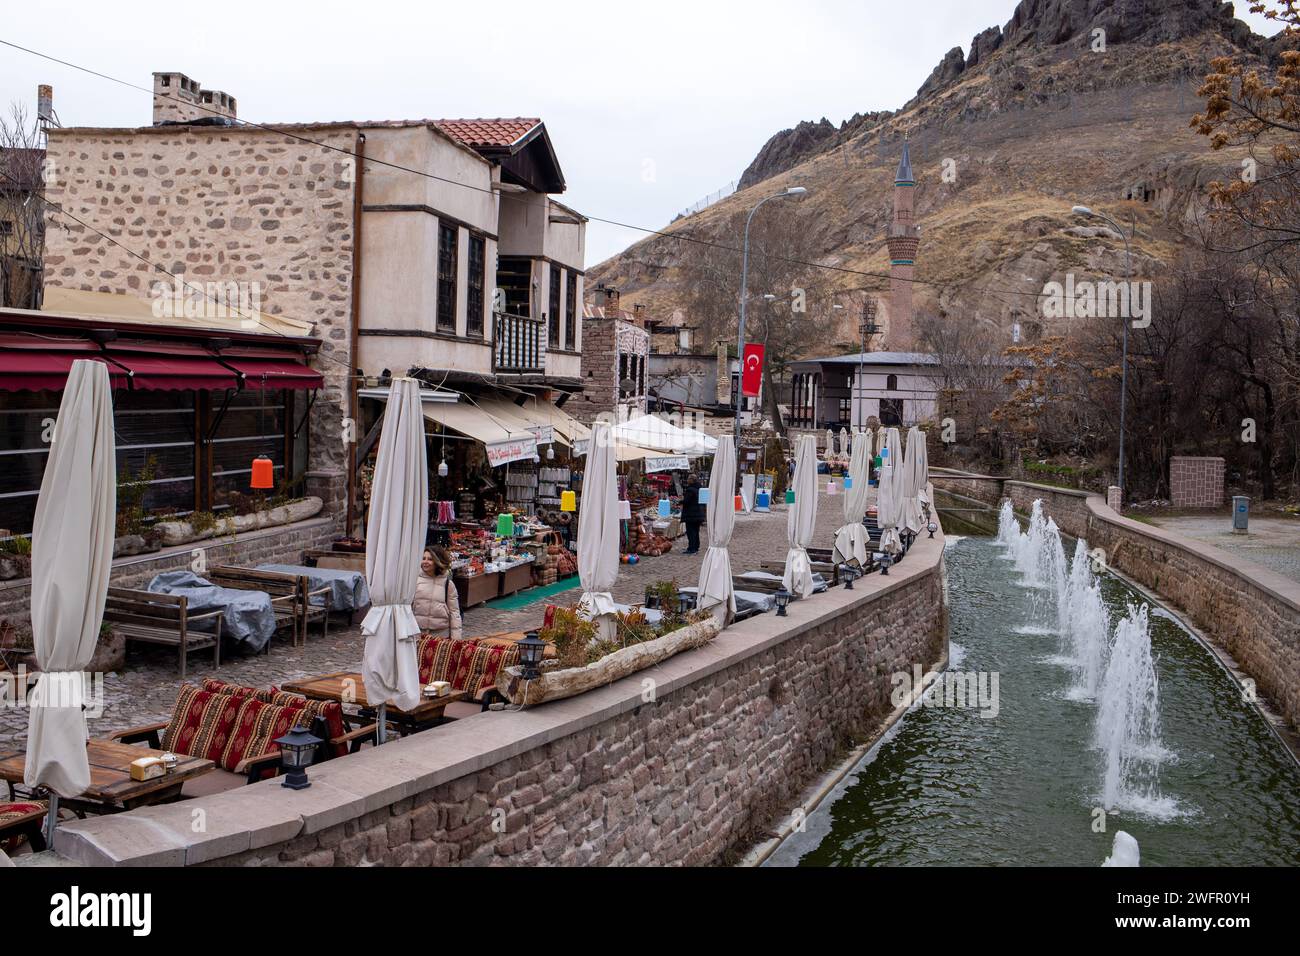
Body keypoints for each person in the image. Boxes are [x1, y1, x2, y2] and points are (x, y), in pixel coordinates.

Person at [413, 546, 462, 640]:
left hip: (441, 635)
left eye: (430, 559)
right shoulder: (415, 581)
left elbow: (454, 612)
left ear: (438, 561)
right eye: (423, 558)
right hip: (417, 633)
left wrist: (456, 638)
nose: (425, 562)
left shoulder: (448, 584)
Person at [681, 473, 705, 555]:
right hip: (699, 514)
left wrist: (680, 501)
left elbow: (686, 501)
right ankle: (696, 547)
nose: (687, 480)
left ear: (691, 480)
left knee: (691, 532)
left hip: (691, 514)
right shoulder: (700, 489)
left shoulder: (690, 490)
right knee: (696, 531)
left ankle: (691, 548)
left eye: (688, 479)